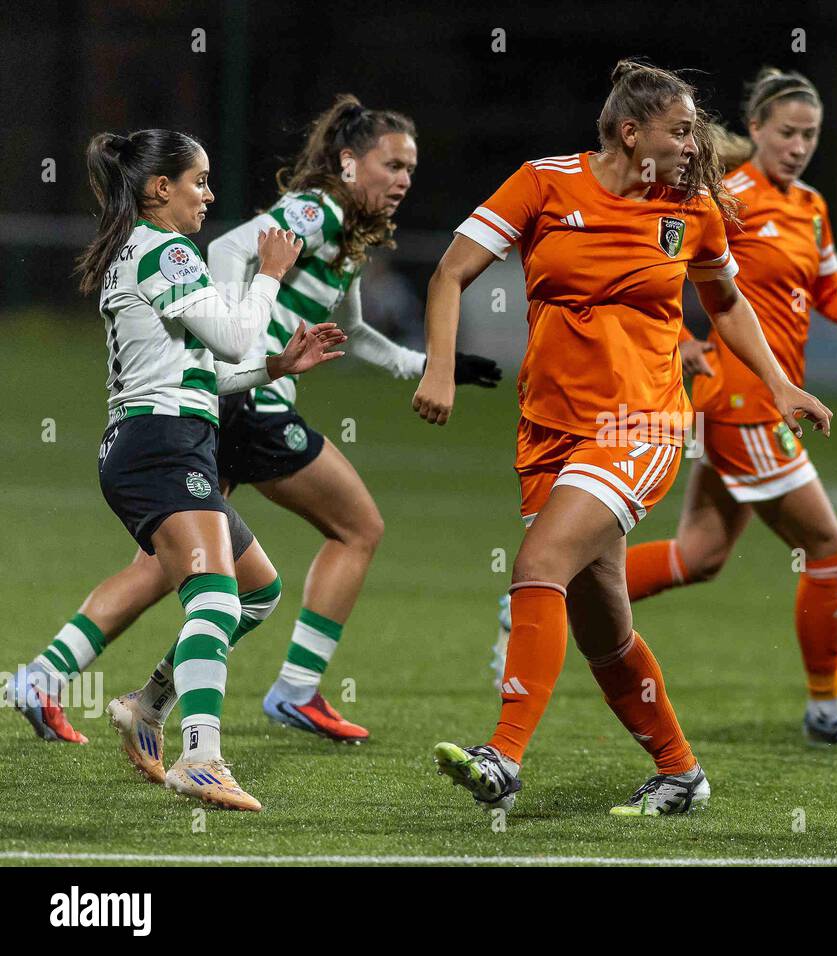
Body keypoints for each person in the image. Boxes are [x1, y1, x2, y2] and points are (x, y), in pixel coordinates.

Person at [6, 96, 501, 748]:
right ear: (350, 163)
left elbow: (354, 334)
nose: (405, 178)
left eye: (412, 167)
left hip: (227, 396)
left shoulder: (346, 237)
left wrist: (438, 363)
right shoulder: (313, 211)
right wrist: (237, 333)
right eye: (393, 163)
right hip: (245, 403)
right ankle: (274, 700)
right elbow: (235, 250)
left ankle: (58, 679)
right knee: (355, 527)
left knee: (174, 567)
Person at [413, 59, 831, 816]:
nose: (694, 144)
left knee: (538, 562)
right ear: (631, 132)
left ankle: (502, 755)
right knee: (601, 625)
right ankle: (681, 772)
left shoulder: (690, 207)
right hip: (547, 430)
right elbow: (449, 273)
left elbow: (726, 301)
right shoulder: (543, 183)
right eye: (679, 130)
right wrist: (438, 369)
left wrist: (778, 383)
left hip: (642, 422)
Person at [603, 67, 837, 748]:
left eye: (810, 134)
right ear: (754, 129)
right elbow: (657, 269)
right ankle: (828, 711)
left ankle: (554, 591)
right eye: (786, 131)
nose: (798, 145)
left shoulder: (811, 206)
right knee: (829, 551)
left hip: (756, 402)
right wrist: (686, 341)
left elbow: (829, 294)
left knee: (700, 554)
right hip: (743, 403)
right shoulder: (728, 197)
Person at [56, 127, 342, 810]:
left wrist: (275, 367)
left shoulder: (146, 251)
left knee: (255, 592)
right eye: (199, 181)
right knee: (213, 595)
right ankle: (202, 758)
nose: (209, 195)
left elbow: (207, 368)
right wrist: (271, 272)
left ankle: (147, 705)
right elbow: (238, 330)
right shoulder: (168, 251)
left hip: (166, 439)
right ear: (160, 189)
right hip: (160, 445)